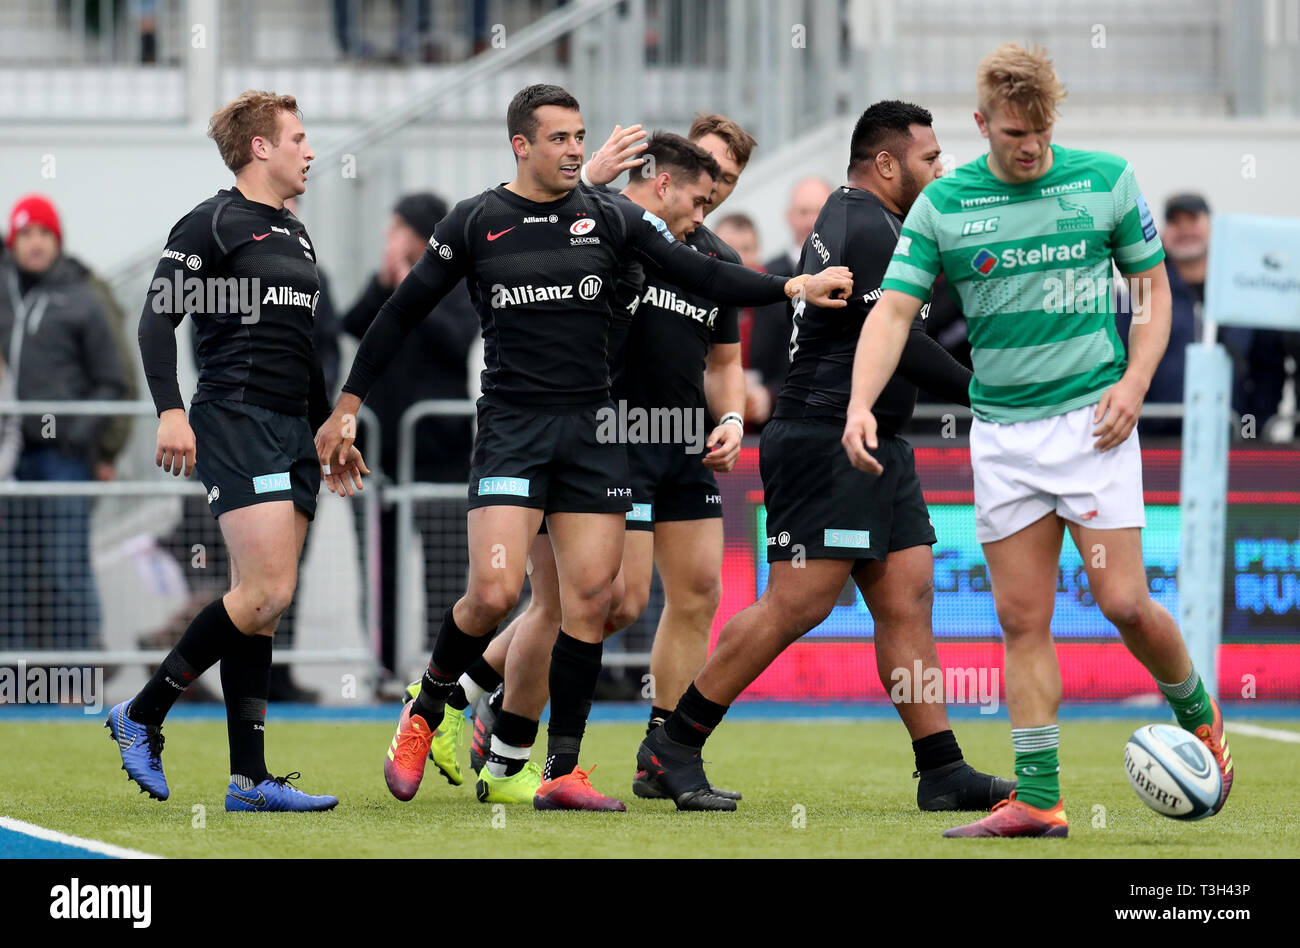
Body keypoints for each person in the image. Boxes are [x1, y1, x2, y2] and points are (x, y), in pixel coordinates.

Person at [316, 83, 853, 810]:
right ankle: (426, 710)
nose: (574, 148)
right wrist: (346, 408)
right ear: (522, 145)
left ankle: (559, 769)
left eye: (580, 136)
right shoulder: (476, 221)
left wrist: (792, 284)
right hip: (512, 430)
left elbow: (704, 273)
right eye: (561, 138)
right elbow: (400, 312)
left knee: (592, 602)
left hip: (593, 433)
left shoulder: (612, 219)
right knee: (494, 593)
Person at [840, 44, 1233, 837]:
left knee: (1123, 601)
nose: (1031, 145)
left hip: (1094, 423)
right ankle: (1040, 798)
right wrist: (859, 403)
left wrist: (1133, 385)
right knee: (1023, 622)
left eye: (1042, 129)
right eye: (1015, 131)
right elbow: (890, 313)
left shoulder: (1105, 179)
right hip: (1004, 435)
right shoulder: (945, 203)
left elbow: (1152, 291)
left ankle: (1202, 718)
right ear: (982, 123)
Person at [636, 100, 1014, 812]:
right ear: (886, 163)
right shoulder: (865, 224)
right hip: (826, 434)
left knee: (907, 597)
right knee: (798, 603)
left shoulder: (876, 222)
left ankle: (941, 767)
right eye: (929, 159)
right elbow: (893, 337)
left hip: (877, 439)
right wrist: (985, 393)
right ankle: (672, 746)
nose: (941, 169)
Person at [110, 90, 367, 812]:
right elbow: (156, 323)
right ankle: (141, 714)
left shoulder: (298, 234)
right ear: (261, 148)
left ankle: (249, 779)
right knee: (265, 592)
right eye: (299, 138)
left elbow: (306, 351)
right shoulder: (211, 222)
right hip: (235, 418)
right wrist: (169, 411)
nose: (310, 151)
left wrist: (330, 430)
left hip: (293, 428)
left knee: (263, 609)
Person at [342, 192, 479, 675]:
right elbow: (352, 325)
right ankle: (382, 666)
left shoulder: (457, 280)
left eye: (396, 226)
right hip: (382, 452)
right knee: (379, 566)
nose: (387, 235)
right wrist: (386, 283)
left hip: (440, 450)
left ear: (419, 233)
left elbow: (456, 341)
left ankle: (439, 670)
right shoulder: (386, 282)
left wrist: (409, 286)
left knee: (444, 567)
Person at [0, 194, 127, 652]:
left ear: (57, 240)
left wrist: (77, 436)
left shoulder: (83, 299)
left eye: (43, 234)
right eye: (25, 234)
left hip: (63, 458)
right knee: (10, 569)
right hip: (9, 456)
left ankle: (78, 671)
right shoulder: (4, 293)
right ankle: (13, 676)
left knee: (64, 564)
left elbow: (112, 381)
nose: (34, 244)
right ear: (12, 243)